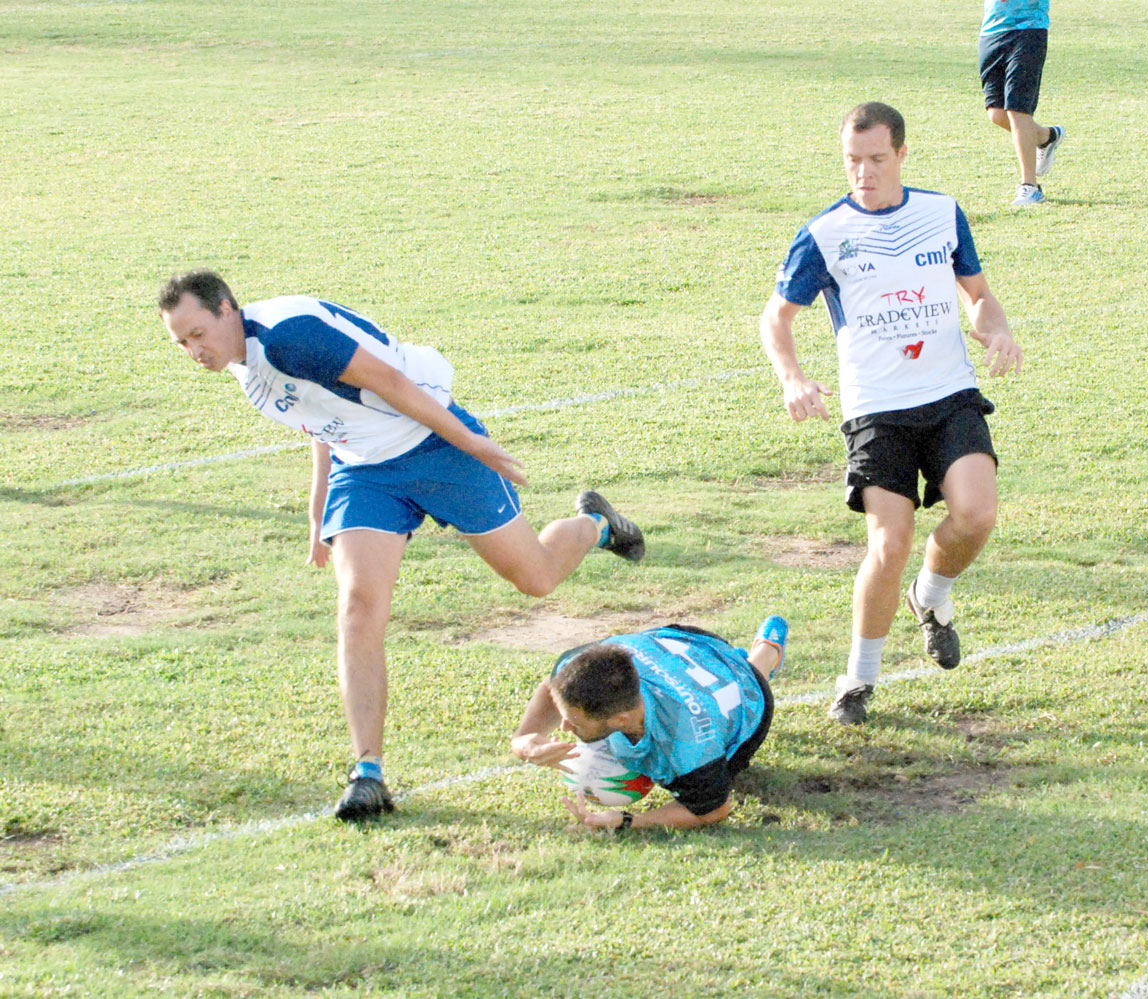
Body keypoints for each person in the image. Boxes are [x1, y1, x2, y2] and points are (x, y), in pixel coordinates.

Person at [158, 269, 646, 821]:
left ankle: (595, 524)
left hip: (433, 443)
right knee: (357, 609)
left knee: (536, 578)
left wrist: (472, 444)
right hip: (365, 471)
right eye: (182, 343)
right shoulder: (243, 363)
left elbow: (389, 382)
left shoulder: (288, 335)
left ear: (227, 308)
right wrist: (318, 510)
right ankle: (367, 773)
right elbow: (321, 419)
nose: (194, 351)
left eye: (198, 334)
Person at [758, 102, 1022, 726]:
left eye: (877, 159)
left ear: (902, 154)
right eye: (853, 160)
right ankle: (858, 680)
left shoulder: (941, 214)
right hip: (876, 409)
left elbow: (978, 294)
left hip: (950, 393)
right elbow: (776, 317)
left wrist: (997, 329)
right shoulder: (824, 234)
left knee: (977, 513)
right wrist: (792, 377)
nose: (864, 172)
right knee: (890, 541)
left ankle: (930, 596)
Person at [511, 616, 788, 831]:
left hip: (745, 694)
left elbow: (714, 809)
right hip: (683, 642)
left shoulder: (688, 748)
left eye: (574, 721)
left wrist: (629, 821)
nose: (564, 727)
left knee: (750, 678)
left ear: (621, 719)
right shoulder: (582, 663)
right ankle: (734, 662)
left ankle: (765, 652)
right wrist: (523, 739)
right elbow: (553, 686)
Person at [979, 0, 1064, 206]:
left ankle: (1030, 187)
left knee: (1017, 110)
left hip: (1028, 30)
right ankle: (1046, 136)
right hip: (992, 31)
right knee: (996, 114)